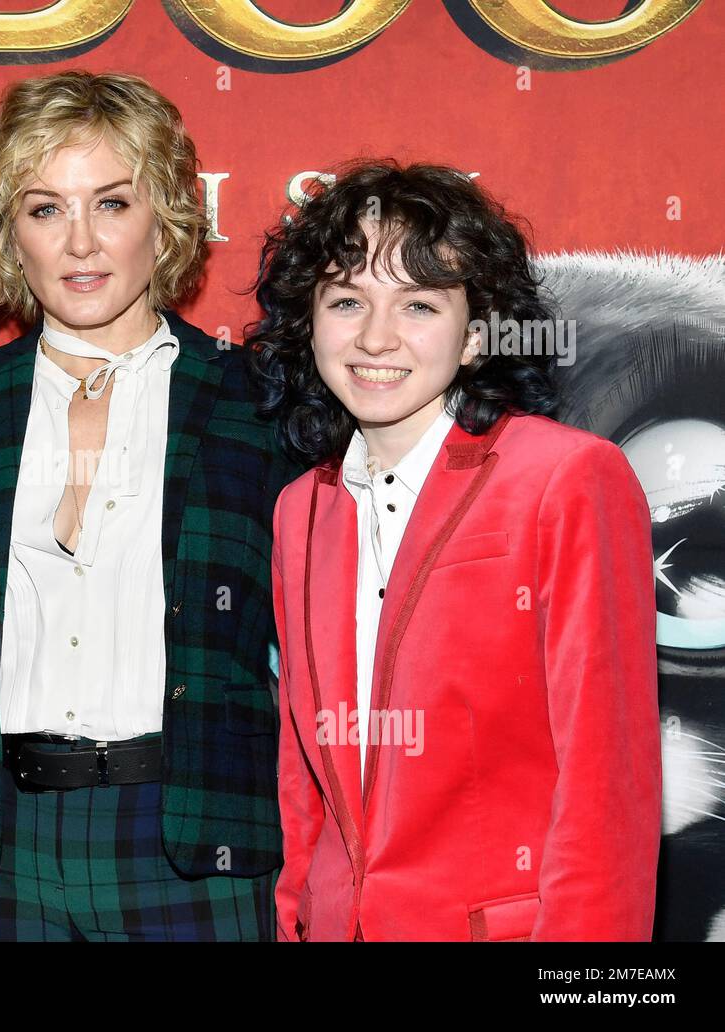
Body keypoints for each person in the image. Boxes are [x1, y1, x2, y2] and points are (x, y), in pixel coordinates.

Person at [0, 70, 300, 941]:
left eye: (111, 204)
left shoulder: (258, 402)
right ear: (11, 235)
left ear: (164, 221)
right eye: (45, 210)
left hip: (193, 844)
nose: (80, 243)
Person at [248, 160, 661, 941]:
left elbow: (609, 779)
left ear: (476, 335)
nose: (375, 337)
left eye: (418, 305)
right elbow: (306, 775)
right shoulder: (302, 510)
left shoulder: (564, 478)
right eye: (346, 301)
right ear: (310, 325)